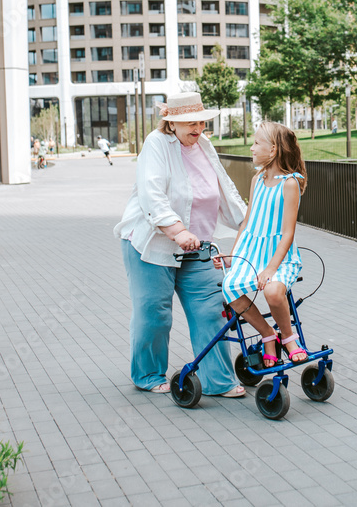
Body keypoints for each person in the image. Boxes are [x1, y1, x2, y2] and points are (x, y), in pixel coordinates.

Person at [114, 92, 247, 397]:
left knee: (211, 311)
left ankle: (219, 380)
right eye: (190, 123)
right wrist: (176, 230)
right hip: (153, 246)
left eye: (201, 121)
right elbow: (152, 193)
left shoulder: (204, 145)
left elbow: (223, 188)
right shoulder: (156, 144)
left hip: (199, 248)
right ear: (172, 123)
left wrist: (248, 223)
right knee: (155, 314)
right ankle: (148, 373)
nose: (198, 128)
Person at [219, 122, 308, 368]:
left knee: (272, 290)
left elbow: (288, 233)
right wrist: (234, 256)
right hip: (251, 254)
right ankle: (269, 334)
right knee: (230, 288)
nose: (251, 147)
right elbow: (246, 222)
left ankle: (289, 338)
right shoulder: (257, 179)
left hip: (279, 256)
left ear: (273, 150)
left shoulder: (290, 183)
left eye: (257, 143)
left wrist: (270, 269)